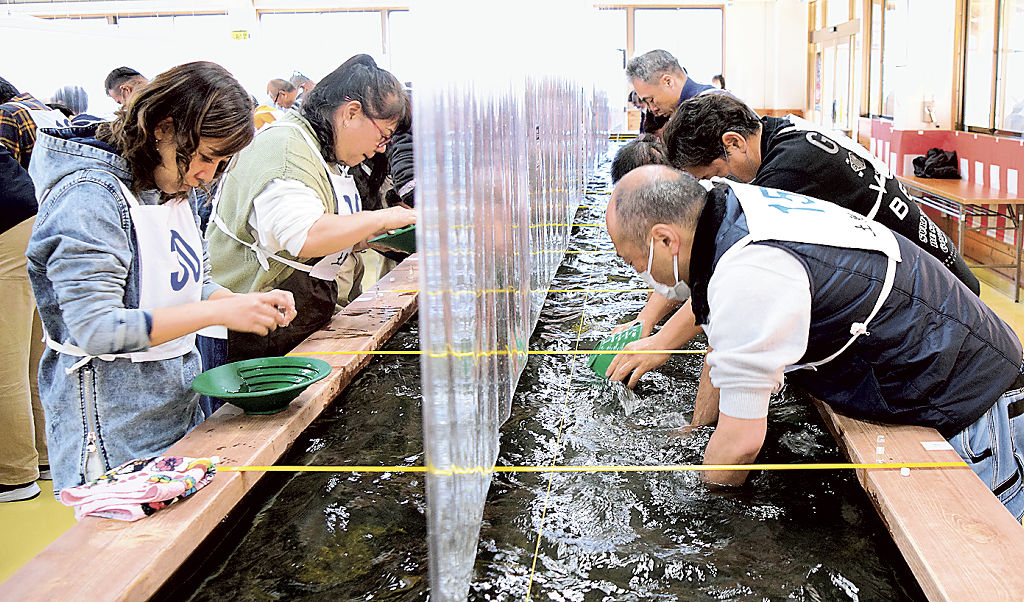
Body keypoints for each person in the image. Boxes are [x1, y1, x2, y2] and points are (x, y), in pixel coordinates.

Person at [607, 165, 1024, 518]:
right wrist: (696, 430)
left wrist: (702, 510)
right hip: (956, 344)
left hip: (976, 400)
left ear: (665, 239)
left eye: (632, 260)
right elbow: (725, 347)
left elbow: (740, 444)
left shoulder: (748, 271)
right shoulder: (723, 205)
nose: (639, 274)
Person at [26, 61, 297, 495]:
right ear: (163, 128)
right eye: (206, 156)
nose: (207, 174)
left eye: (221, 162)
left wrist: (229, 298)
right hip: (110, 430)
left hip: (175, 405)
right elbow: (97, 329)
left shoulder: (167, 186)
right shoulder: (88, 199)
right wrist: (221, 309)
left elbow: (186, 280)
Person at [605, 92, 982, 389]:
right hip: (927, 284)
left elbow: (728, 276)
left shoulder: (789, 172)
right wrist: (647, 323)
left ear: (733, 143)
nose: (719, 187)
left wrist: (663, 342)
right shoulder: (781, 134)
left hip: (941, 306)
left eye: (716, 174)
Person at [206, 54, 415, 369]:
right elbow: (304, 235)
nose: (383, 147)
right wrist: (384, 217)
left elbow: (318, 235)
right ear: (351, 113)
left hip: (292, 326)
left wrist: (370, 237)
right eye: (383, 135)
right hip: (249, 337)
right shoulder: (285, 150)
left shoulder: (326, 153)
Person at [0, 144, 45, 502]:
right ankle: (43, 458)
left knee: (5, 360)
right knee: (31, 356)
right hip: (29, 217)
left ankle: (13, 474)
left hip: (4, 226)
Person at [625, 49, 717, 134]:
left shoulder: (712, 107)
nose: (652, 109)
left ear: (668, 82)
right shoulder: (673, 114)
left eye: (651, 100)